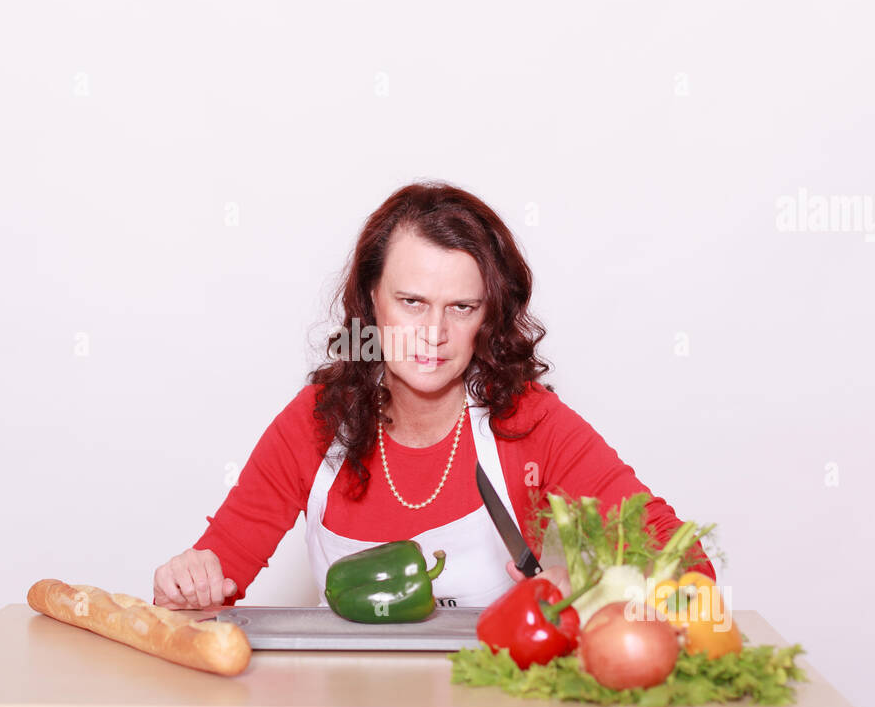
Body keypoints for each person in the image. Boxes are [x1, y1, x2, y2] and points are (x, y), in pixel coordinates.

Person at [153, 181, 715, 610]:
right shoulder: (315, 423)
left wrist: (593, 593)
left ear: (488, 315)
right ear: (371, 299)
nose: (434, 333)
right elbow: (209, 588)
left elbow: (689, 570)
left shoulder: (530, 422)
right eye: (413, 302)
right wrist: (186, 586)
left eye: (462, 308)